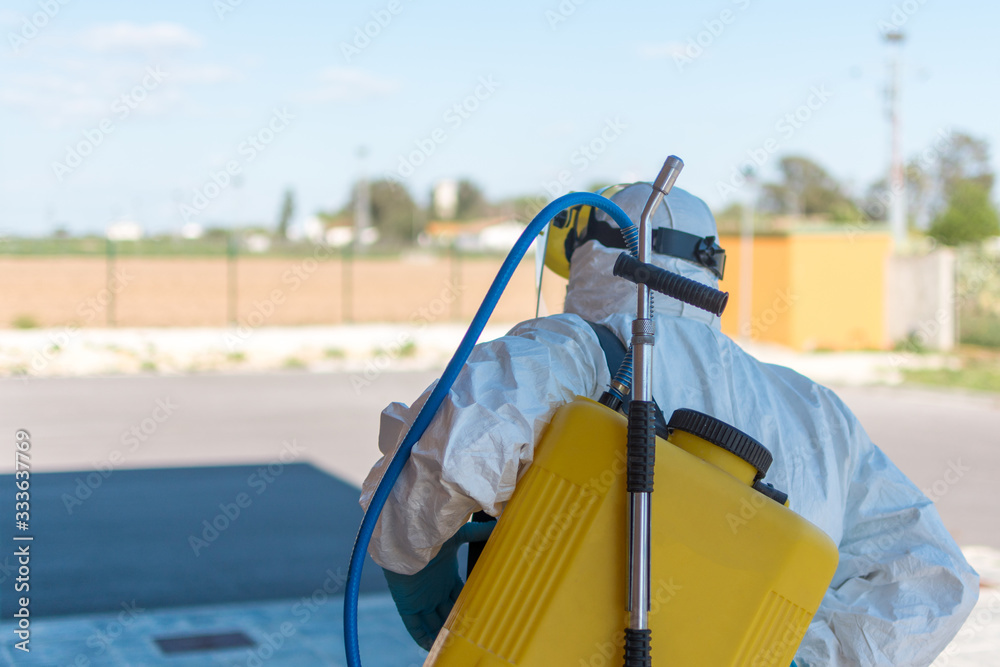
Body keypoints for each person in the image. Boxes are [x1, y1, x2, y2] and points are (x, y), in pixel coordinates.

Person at [360, 182, 979, 665]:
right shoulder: (815, 412)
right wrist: (798, 657)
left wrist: (427, 587)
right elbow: (935, 576)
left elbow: (437, 458)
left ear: (588, 263)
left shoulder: (567, 355)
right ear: (711, 270)